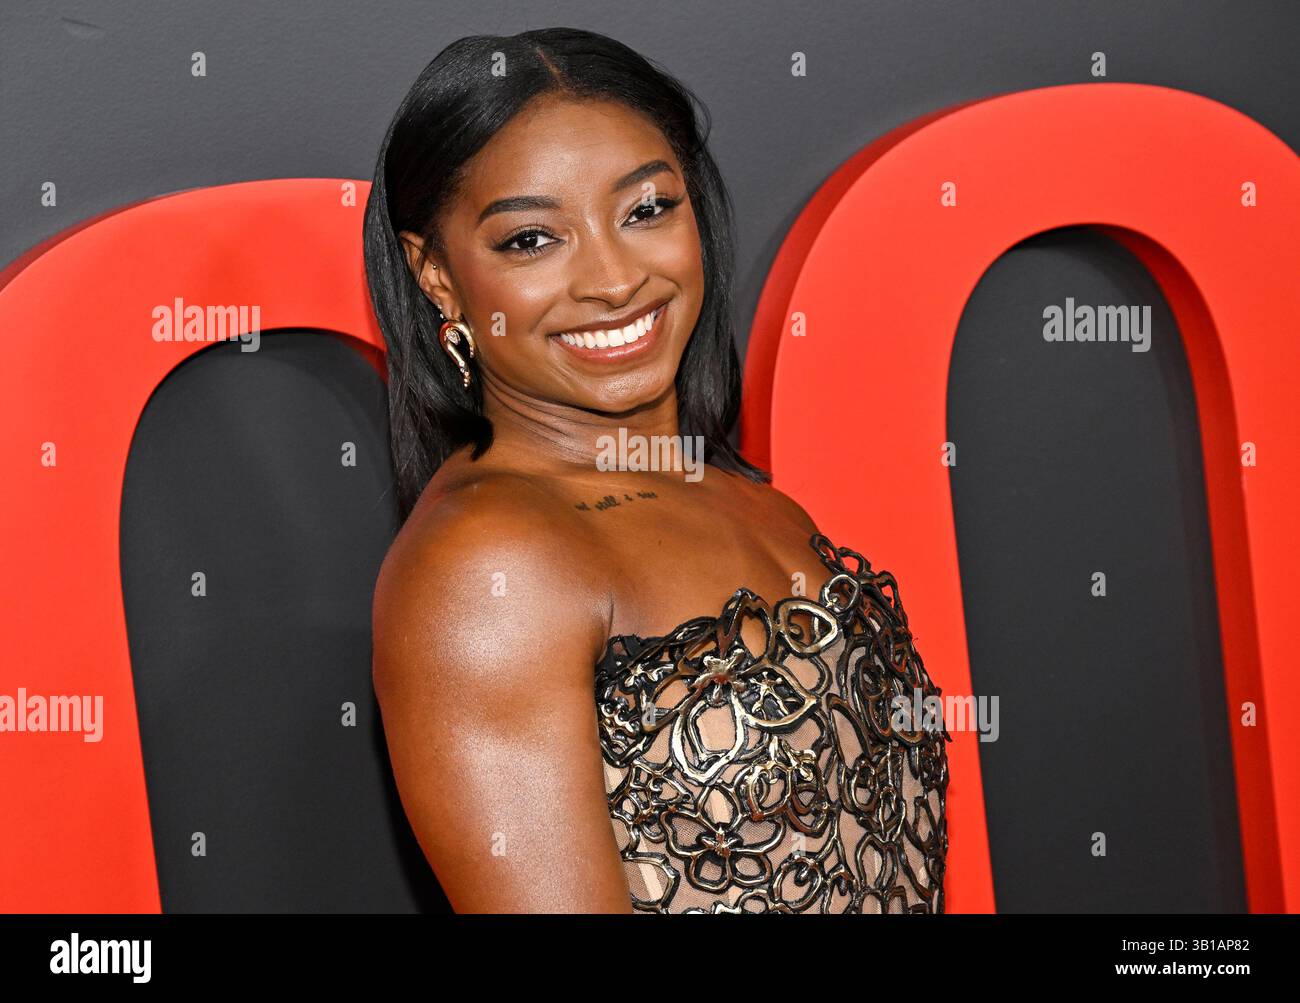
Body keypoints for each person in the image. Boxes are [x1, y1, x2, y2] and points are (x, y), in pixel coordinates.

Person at [363, 26, 950, 914]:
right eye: (531, 240)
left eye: (646, 210)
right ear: (436, 276)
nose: (611, 278)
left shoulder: (753, 500)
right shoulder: (486, 567)